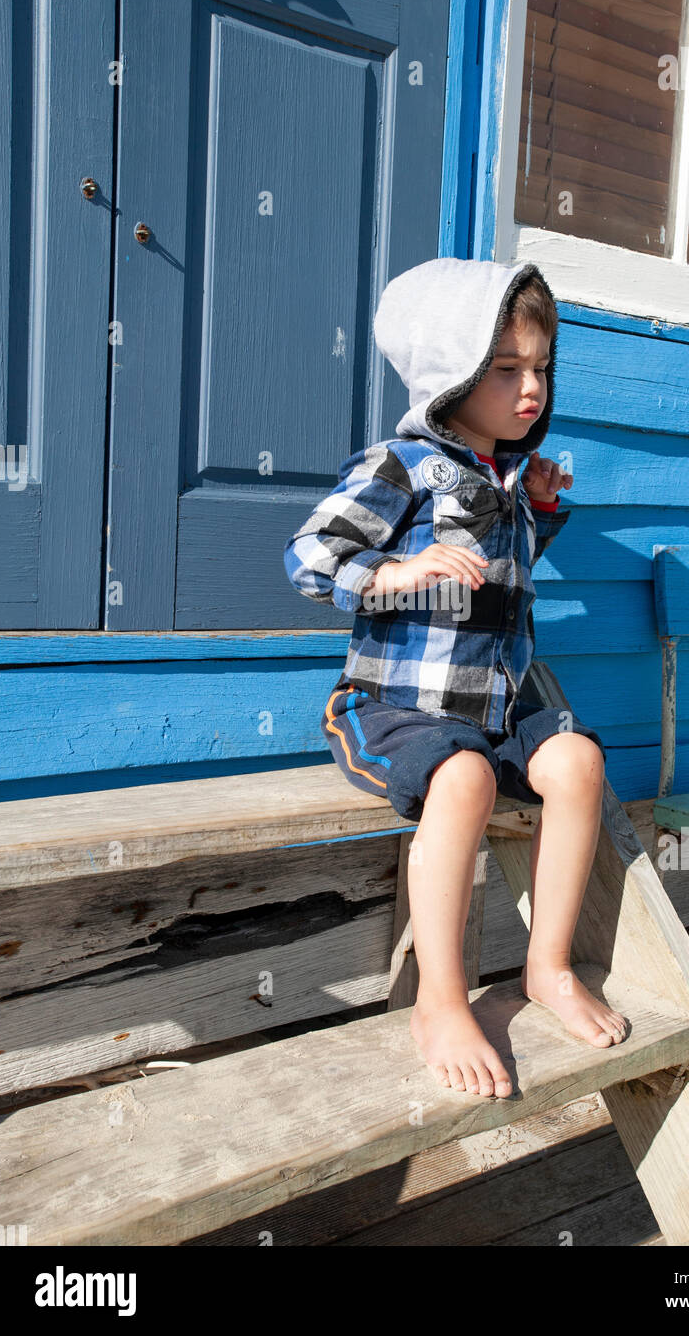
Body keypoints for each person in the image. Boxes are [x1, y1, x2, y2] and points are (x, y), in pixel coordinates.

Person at [284, 257, 625, 1099]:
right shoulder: (401, 465)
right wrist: (385, 575)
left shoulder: (503, 478)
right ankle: (440, 998)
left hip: (498, 706)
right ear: (452, 374)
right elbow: (307, 555)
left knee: (578, 763)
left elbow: (500, 576)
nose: (530, 387)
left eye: (539, 367)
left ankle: (546, 965)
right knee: (463, 775)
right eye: (505, 369)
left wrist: (538, 512)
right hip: (394, 707)